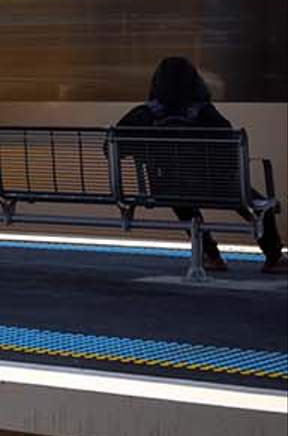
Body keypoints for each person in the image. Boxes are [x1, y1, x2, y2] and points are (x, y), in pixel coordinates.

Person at [116, 56, 285, 274]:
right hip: (214, 186)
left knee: (181, 197)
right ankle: (274, 257)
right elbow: (230, 147)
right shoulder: (204, 112)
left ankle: (211, 255)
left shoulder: (143, 115)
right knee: (258, 204)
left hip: (166, 188)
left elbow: (114, 148)